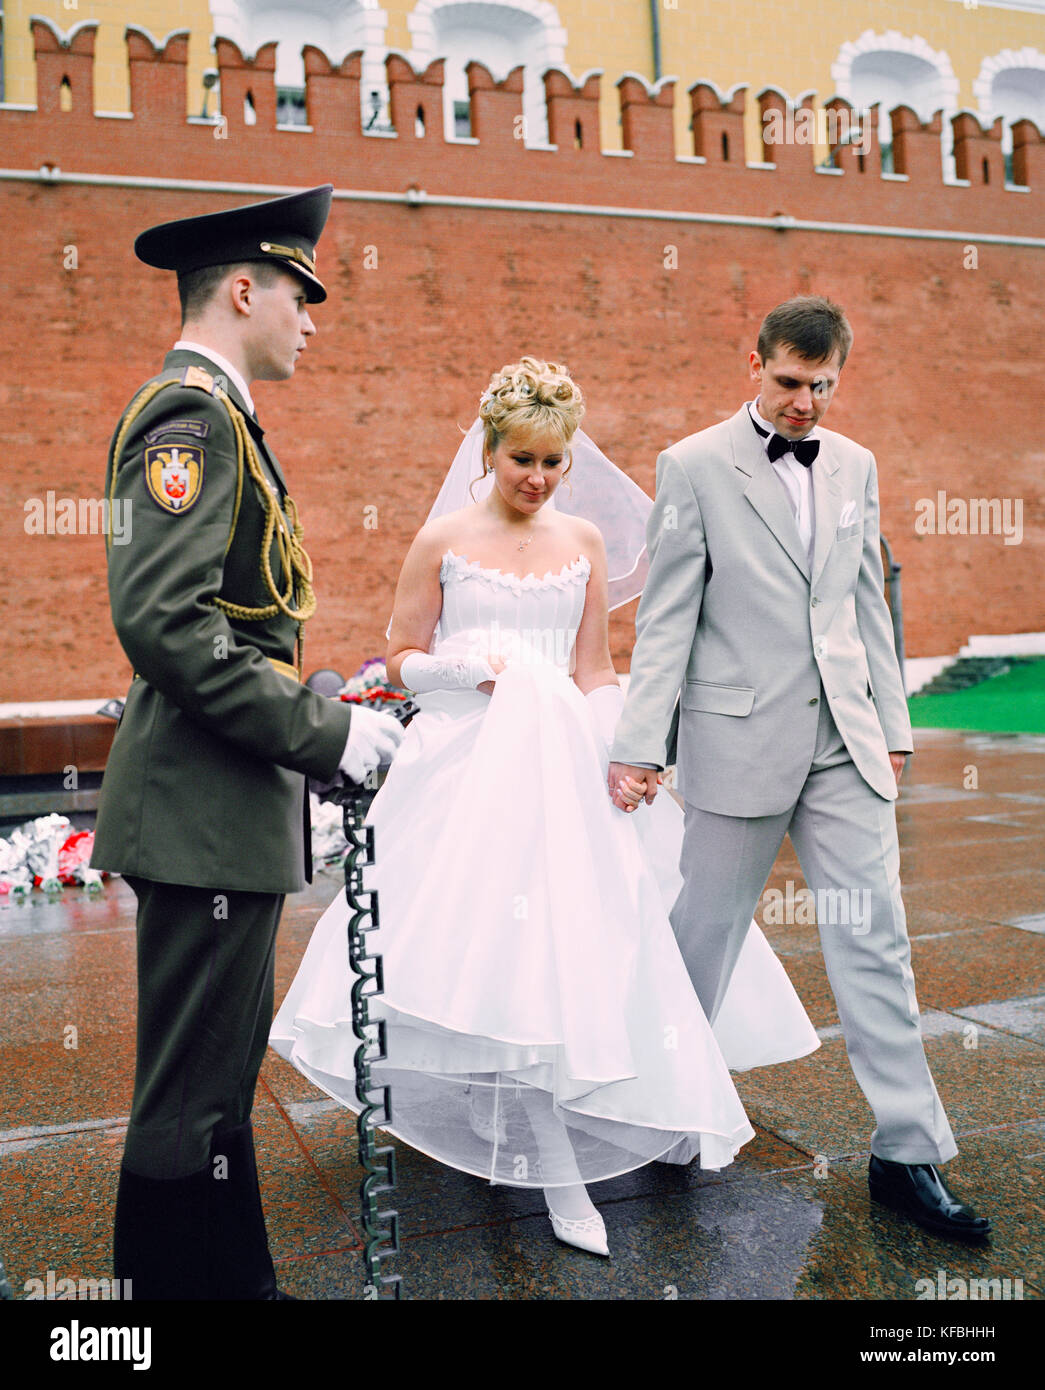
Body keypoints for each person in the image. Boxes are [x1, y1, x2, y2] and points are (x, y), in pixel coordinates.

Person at [270, 357, 820, 1259]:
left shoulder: (585, 543)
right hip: (465, 761)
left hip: (564, 753)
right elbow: (401, 654)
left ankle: (647, 1099)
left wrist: (624, 751)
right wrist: (462, 671)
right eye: (522, 458)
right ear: (487, 449)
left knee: (598, 934)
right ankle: (546, 1159)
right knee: (488, 944)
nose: (536, 477)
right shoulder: (440, 537)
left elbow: (595, 665)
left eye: (553, 462)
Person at [607, 296, 991, 1242]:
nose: (804, 404)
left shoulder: (855, 464)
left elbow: (866, 606)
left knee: (877, 947)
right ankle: (665, 1116)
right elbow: (666, 620)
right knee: (704, 939)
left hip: (844, 748)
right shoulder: (693, 466)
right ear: (754, 364)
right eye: (788, 382)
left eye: (821, 386)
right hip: (735, 742)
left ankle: (908, 1153)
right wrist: (639, 745)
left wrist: (890, 726)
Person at [90, 184, 404, 1299]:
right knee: (189, 1095)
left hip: (218, 807)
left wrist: (317, 690)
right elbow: (166, 620)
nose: (311, 318)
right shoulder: (190, 418)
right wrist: (331, 734)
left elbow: (236, 620)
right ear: (241, 290)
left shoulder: (216, 415)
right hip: (200, 809)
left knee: (218, 1088)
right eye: (299, 292)